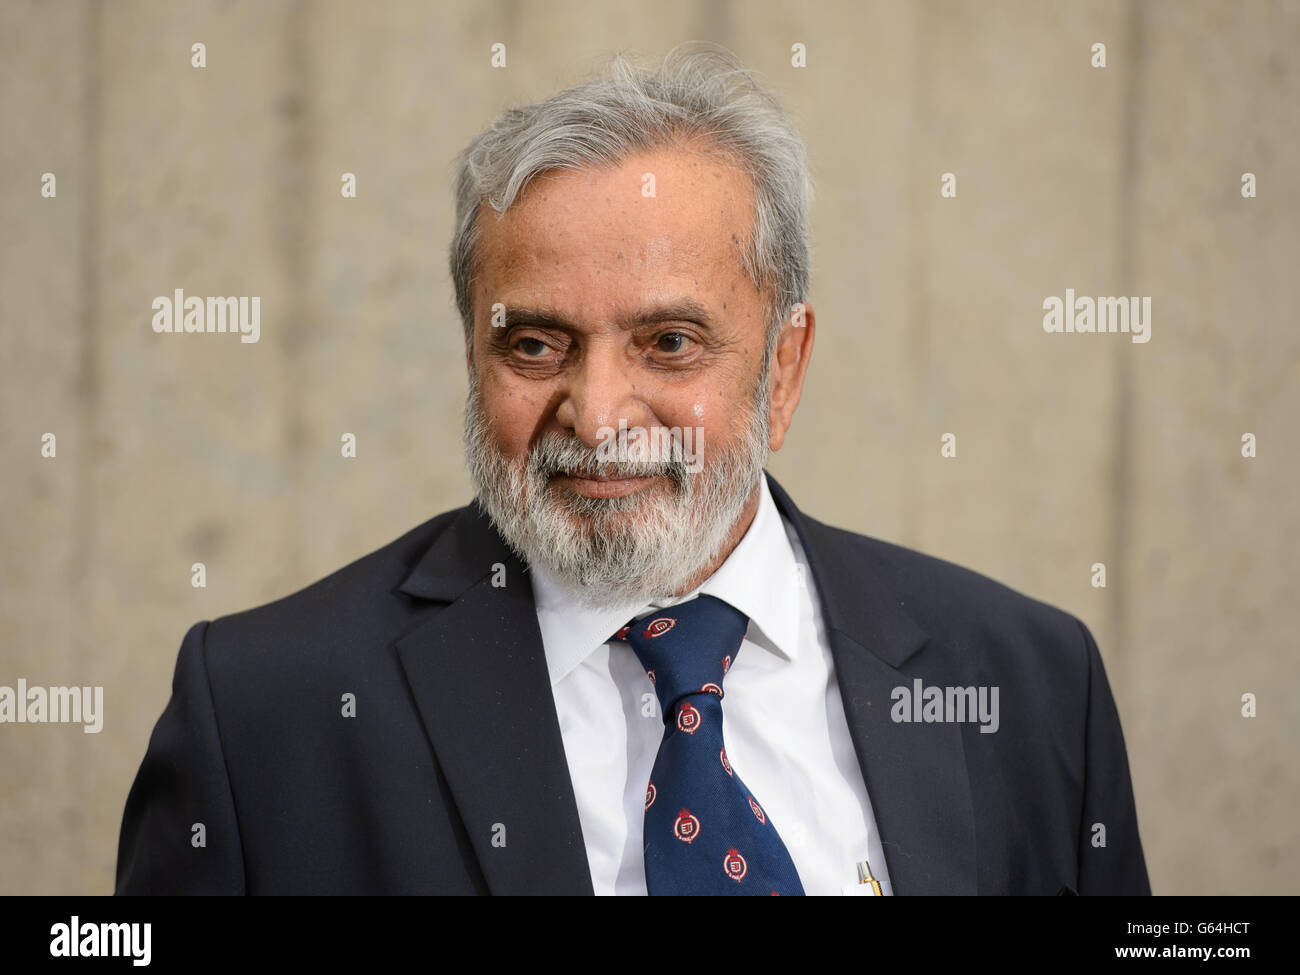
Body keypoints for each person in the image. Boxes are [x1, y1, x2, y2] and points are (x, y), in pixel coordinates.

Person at [116, 42, 1149, 895]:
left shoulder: (1026, 680)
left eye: (667, 342)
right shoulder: (266, 711)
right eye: (534, 345)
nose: (597, 415)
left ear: (782, 368)